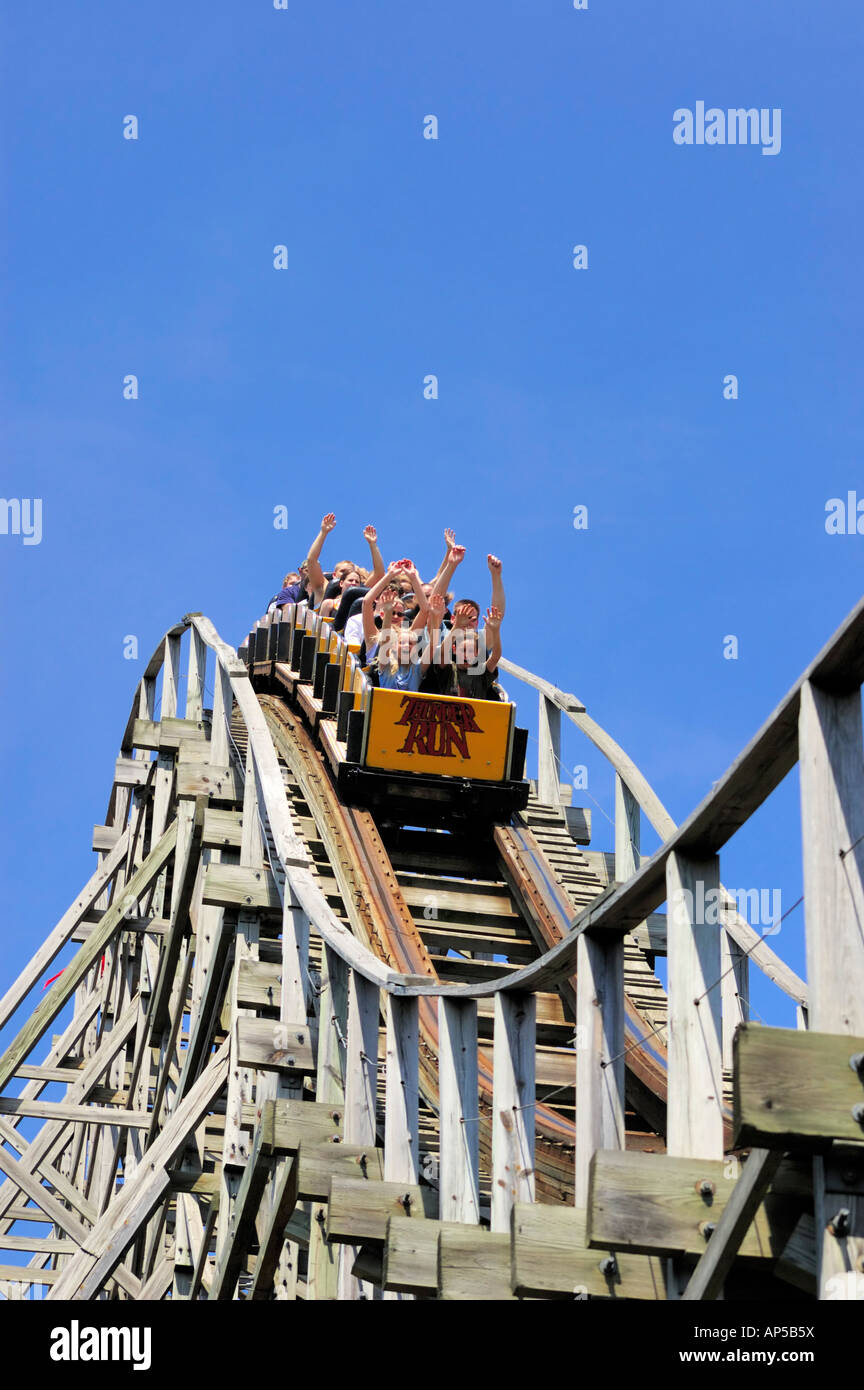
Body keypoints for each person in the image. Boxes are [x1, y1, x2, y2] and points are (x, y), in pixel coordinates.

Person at [363, 562, 431, 691]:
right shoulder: (374, 636)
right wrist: (390, 575)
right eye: (391, 612)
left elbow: (425, 610)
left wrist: (413, 578)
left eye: (399, 613)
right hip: (377, 686)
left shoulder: (407, 636)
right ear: (382, 614)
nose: (395, 616)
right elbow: (366, 603)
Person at [425, 602, 503, 700]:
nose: (467, 655)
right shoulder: (449, 669)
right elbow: (442, 653)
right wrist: (457, 626)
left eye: (471, 651)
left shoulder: (481, 674)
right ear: (454, 650)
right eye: (463, 650)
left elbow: (495, 657)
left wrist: (495, 631)